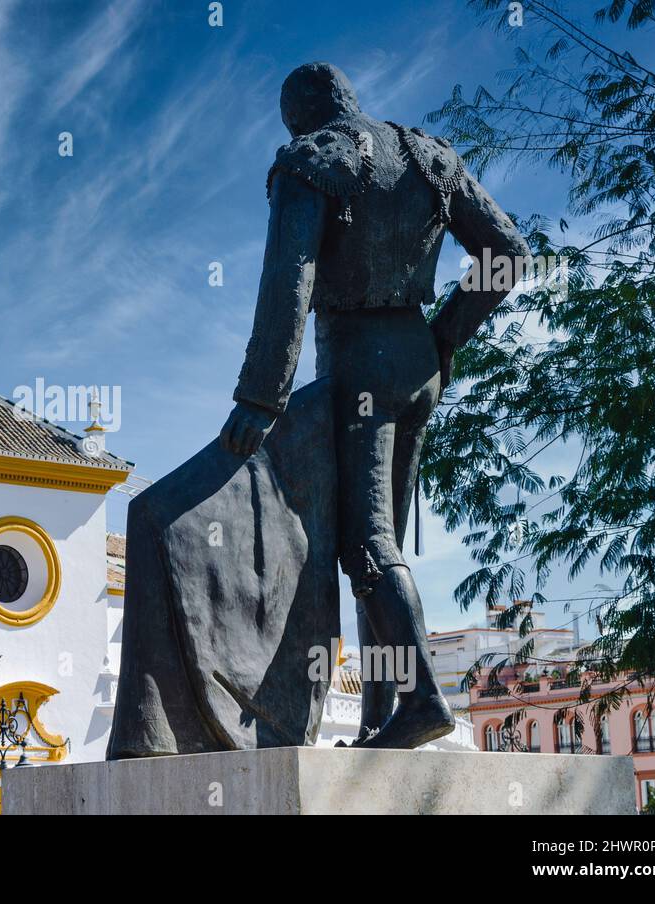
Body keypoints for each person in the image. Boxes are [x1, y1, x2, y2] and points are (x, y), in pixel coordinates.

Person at [219, 62, 529, 748]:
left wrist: (259, 398)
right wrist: (442, 339)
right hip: (417, 363)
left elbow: (288, 284)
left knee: (367, 546)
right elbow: (508, 252)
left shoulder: (310, 161)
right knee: (382, 545)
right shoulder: (429, 155)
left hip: (357, 358)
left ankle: (421, 703)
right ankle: (377, 716)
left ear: (299, 113)